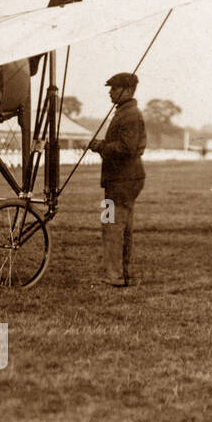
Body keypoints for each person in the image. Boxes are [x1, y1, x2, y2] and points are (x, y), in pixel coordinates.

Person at [89, 71, 146, 287]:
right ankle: (124, 273)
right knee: (122, 226)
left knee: (111, 225)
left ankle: (114, 276)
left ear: (128, 91)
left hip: (122, 180)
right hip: (124, 179)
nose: (110, 93)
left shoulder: (130, 115)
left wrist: (100, 146)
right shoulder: (125, 112)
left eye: (114, 89)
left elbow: (126, 148)